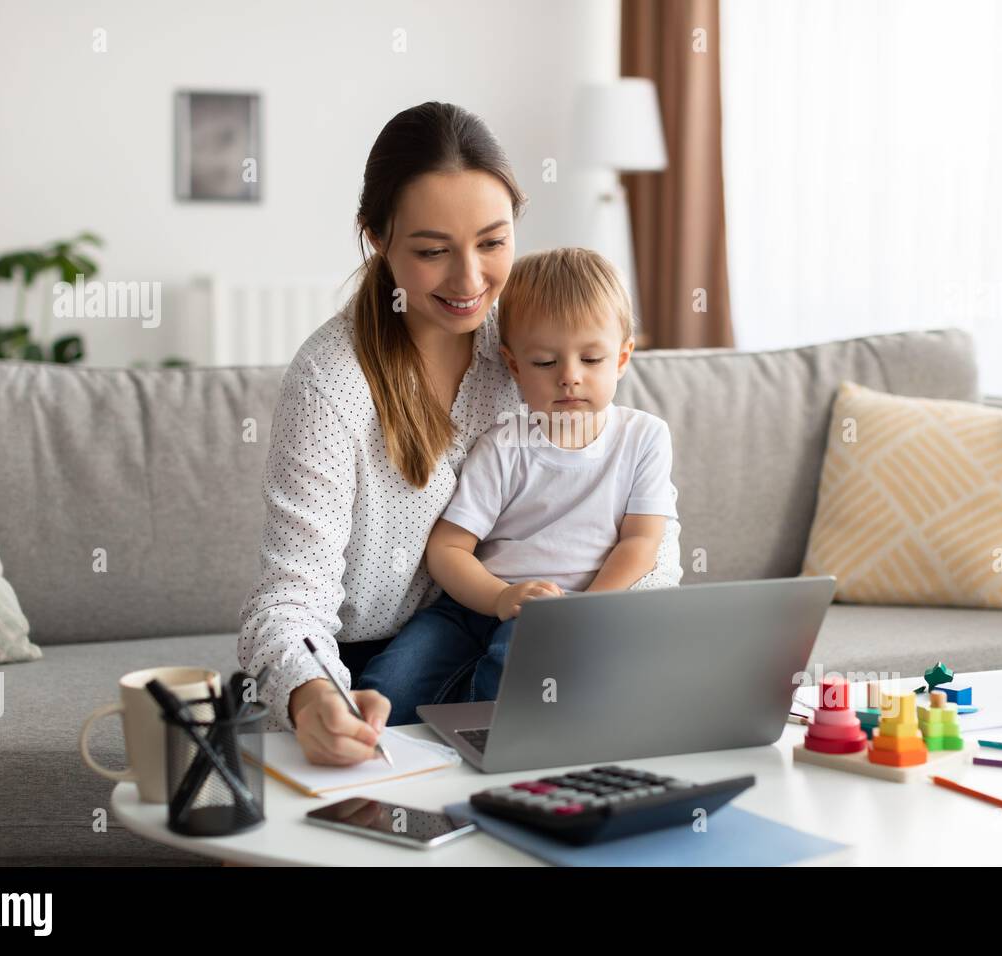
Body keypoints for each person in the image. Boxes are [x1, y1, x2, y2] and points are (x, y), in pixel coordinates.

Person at [238, 102, 682, 766]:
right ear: (377, 240)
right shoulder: (332, 382)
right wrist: (313, 694)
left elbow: (637, 526)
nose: (471, 281)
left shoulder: (537, 341)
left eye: (493, 242)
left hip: (556, 630)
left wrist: (590, 619)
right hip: (367, 666)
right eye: (430, 251)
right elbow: (289, 596)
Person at [357, 248, 679, 719]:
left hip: (567, 608)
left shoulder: (644, 437)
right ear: (513, 366)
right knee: (389, 685)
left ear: (623, 357)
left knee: (513, 673)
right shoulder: (503, 445)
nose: (570, 377)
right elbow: (448, 550)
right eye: (545, 363)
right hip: (476, 604)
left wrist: (587, 612)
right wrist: (501, 597)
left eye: (591, 359)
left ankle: (472, 747)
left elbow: (641, 542)